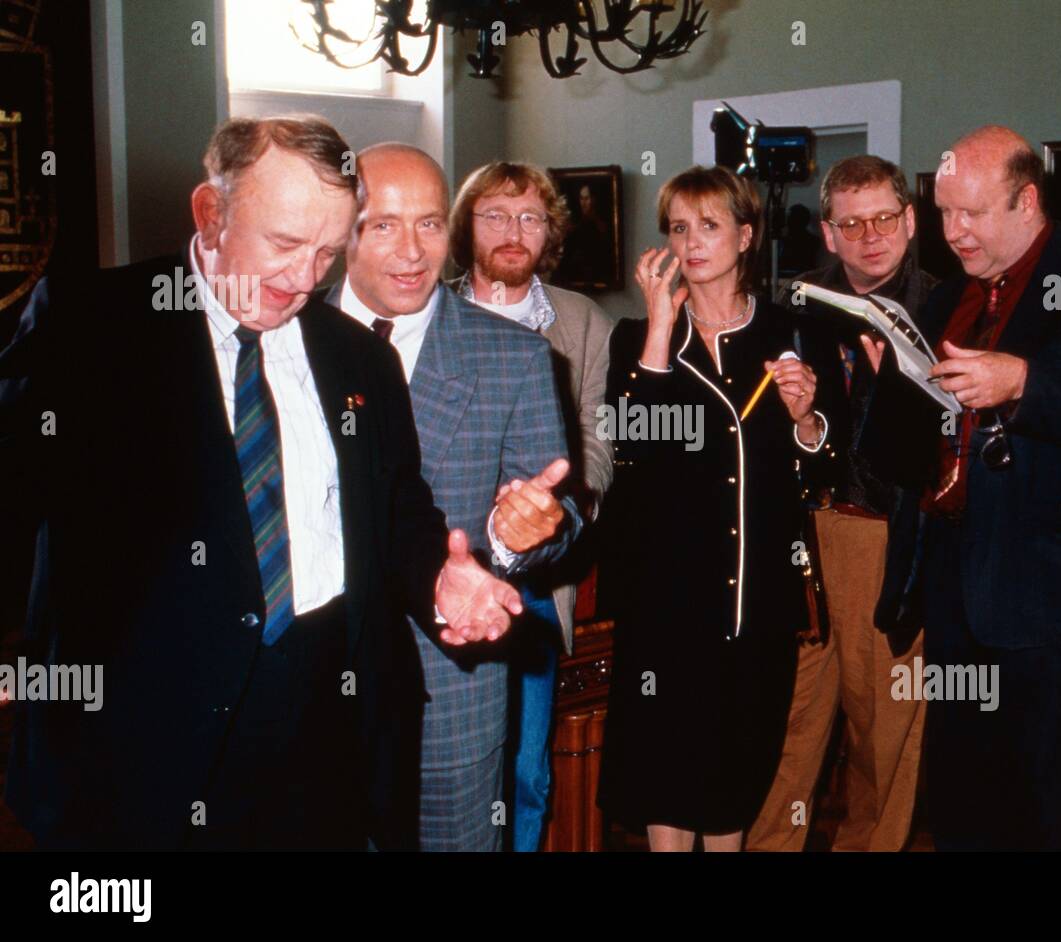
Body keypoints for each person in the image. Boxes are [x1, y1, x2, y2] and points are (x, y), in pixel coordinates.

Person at [0, 116, 520, 850]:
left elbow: (395, 505)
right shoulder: (93, 324)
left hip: (325, 738)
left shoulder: (359, 358)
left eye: (328, 252)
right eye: (282, 244)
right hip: (140, 751)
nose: (304, 279)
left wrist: (438, 576)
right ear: (209, 215)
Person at [880, 125, 1061, 850]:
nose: (953, 232)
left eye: (972, 214)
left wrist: (1024, 383)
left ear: (1028, 200)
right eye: (943, 212)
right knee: (963, 807)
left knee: (1052, 811)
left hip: (1059, 604)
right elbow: (899, 454)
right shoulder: (947, 295)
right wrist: (883, 384)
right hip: (955, 590)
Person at [328, 143, 579, 852]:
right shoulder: (288, 338)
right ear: (343, 225)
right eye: (383, 225)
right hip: (310, 690)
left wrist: (520, 533)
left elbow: (553, 513)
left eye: (430, 225)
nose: (411, 252)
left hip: (451, 684)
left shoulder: (515, 354)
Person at [597, 165, 831, 852]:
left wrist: (804, 419)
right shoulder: (636, 338)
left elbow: (822, 468)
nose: (692, 242)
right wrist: (661, 332)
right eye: (677, 227)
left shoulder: (790, 333)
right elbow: (631, 452)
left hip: (753, 595)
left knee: (739, 758)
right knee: (667, 763)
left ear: (747, 234)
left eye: (709, 225)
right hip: (665, 594)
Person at [748, 155, 936, 852]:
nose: (870, 236)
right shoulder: (794, 305)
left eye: (885, 218)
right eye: (851, 223)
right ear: (828, 233)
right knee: (786, 726)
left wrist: (902, 400)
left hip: (893, 540)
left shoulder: (946, 308)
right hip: (799, 536)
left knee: (885, 734)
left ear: (910, 221)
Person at [446, 161, 614, 852]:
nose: (513, 232)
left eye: (530, 218)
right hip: (441, 573)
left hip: (538, 582)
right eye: (495, 215)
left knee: (525, 770)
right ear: (466, 227)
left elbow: (601, 444)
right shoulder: (429, 308)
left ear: (551, 233)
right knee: (447, 768)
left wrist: (556, 507)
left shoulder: (581, 322)